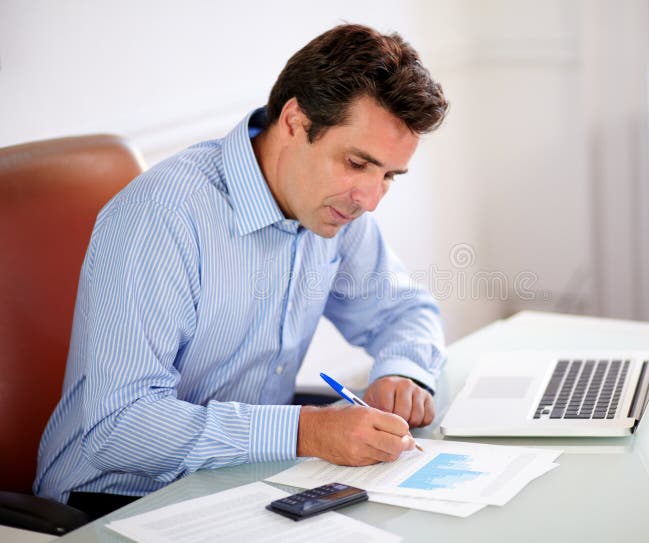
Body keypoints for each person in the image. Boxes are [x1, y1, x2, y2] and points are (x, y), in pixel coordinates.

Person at [34, 23, 448, 518]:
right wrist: (305, 431)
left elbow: (405, 310)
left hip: (242, 483)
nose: (371, 199)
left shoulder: (334, 208)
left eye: (388, 177)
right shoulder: (163, 217)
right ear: (295, 121)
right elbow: (119, 428)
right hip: (117, 500)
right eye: (358, 163)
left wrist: (402, 371)